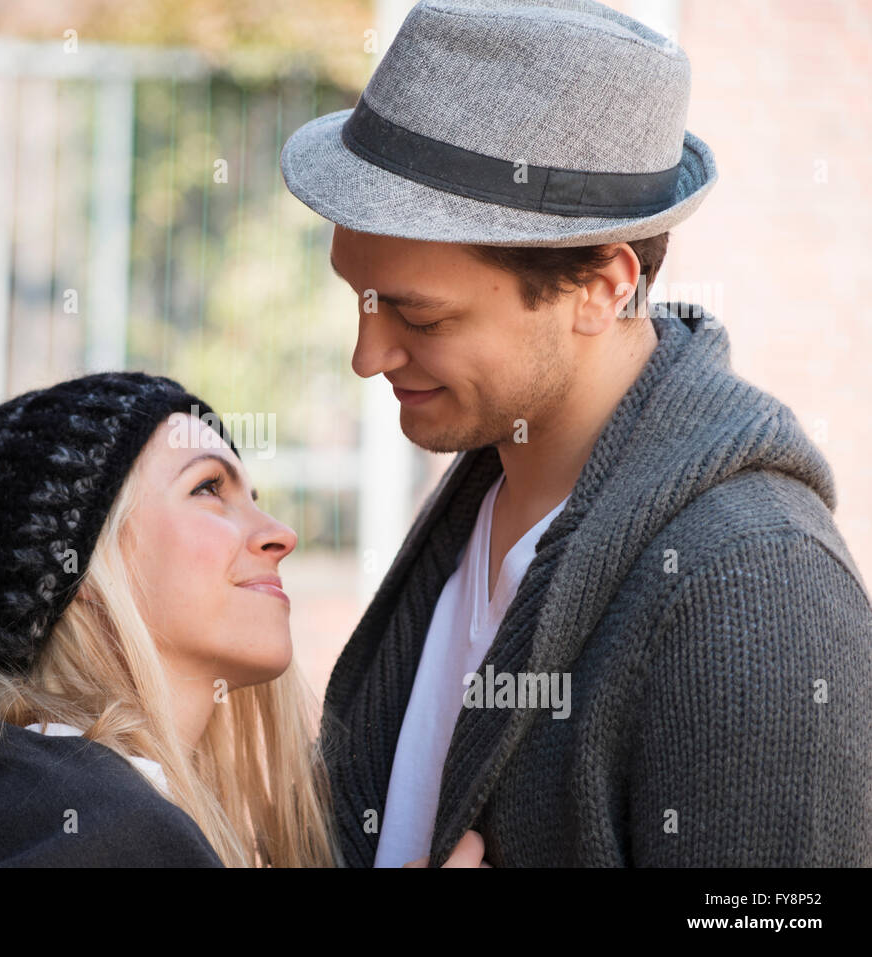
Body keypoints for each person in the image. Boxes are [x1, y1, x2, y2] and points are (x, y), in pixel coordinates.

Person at [279, 0, 872, 866]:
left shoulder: (752, 587)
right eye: (360, 298)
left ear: (601, 286)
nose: (367, 356)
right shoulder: (481, 503)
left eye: (419, 314)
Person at [0, 371, 485, 866]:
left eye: (252, 496)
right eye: (208, 488)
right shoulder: (106, 833)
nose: (280, 534)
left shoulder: (21, 802)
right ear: (75, 575)